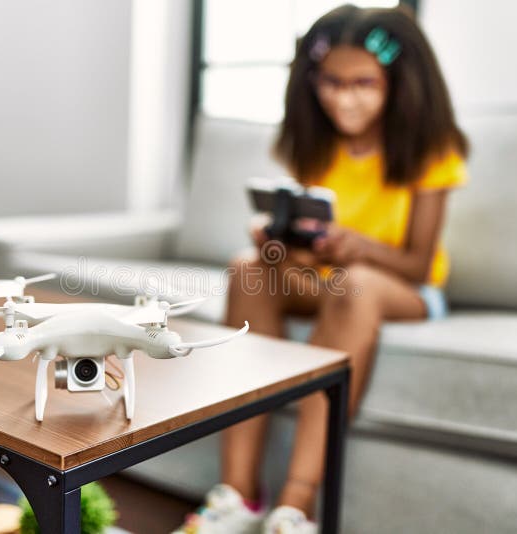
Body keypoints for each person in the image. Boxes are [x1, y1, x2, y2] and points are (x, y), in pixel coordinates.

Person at [174, 4, 468, 533]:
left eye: (363, 84)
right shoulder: (317, 143)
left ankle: (297, 505)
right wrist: (282, 243)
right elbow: (313, 256)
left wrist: (357, 247)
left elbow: (419, 266)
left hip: (403, 287)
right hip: (330, 277)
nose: (343, 98)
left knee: (354, 285)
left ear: (399, 84)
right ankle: (238, 496)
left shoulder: (430, 148)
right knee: (248, 269)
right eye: (331, 82)